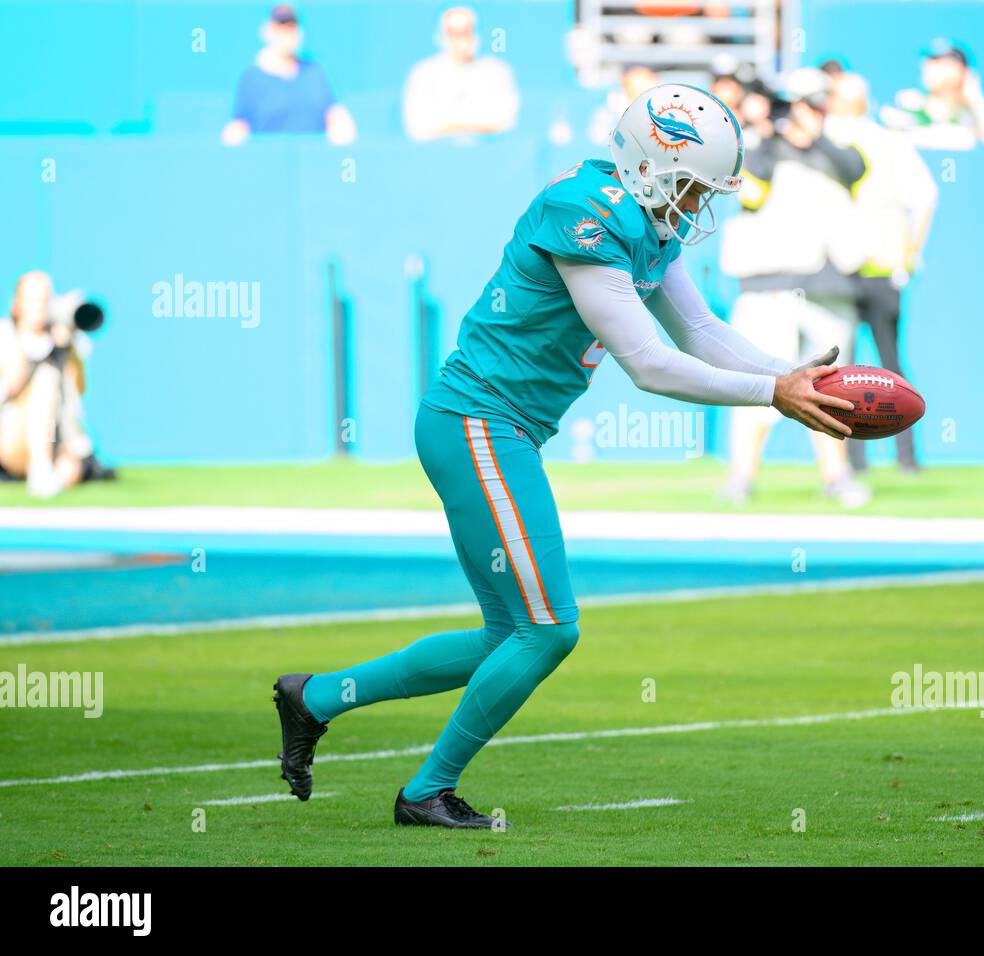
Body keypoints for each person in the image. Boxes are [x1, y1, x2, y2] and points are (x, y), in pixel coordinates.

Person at [272, 84, 854, 829]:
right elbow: (647, 361)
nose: (695, 204)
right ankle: (425, 793)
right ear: (650, 164)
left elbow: (701, 332)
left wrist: (793, 375)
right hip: (478, 421)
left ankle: (314, 698)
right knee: (547, 631)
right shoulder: (588, 211)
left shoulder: (644, 217)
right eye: (689, 185)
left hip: (501, 428)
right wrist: (772, 391)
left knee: (504, 635)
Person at [718, 70, 869, 507]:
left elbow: (854, 169)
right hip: (771, 283)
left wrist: (811, 135)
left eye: (811, 104)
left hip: (829, 283)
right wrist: (768, 129)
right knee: (760, 383)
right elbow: (749, 191)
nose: (800, 114)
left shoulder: (839, 150)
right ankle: (741, 476)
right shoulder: (760, 150)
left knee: (830, 388)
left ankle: (835, 476)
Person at [823, 69, 937, 474]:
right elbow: (926, 198)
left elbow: (924, 198)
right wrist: (908, 257)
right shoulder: (890, 140)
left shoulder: (831, 140)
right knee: (889, 368)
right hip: (879, 268)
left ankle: (855, 462)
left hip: (843, 268)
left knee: (841, 373)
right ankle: (903, 460)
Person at [0, 272, 109, 497]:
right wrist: (34, 344)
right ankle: (40, 467)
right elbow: (8, 388)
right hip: (12, 439)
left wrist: (66, 349)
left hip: (53, 436)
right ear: (17, 304)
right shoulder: (6, 335)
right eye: (33, 300)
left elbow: (79, 390)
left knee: (71, 466)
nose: (40, 307)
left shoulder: (63, 338)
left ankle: (47, 474)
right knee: (46, 376)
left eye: (45, 299)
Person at [221, 4, 356, 146]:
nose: (286, 33)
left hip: (312, 162)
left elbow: (336, 116)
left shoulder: (314, 72)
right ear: (267, 31)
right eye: (281, 26)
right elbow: (238, 127)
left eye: (291, 27)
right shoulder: (251, 78)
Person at [402, 6, 520, 142]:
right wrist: (469, 126)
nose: (461, 39)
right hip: (435, 156)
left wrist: (454, 125)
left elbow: (504, 122)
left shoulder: (497, 72)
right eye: (453, 33)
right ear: (439, 36)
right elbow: (418, 126)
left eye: (467, 31)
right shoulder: (422, 74)